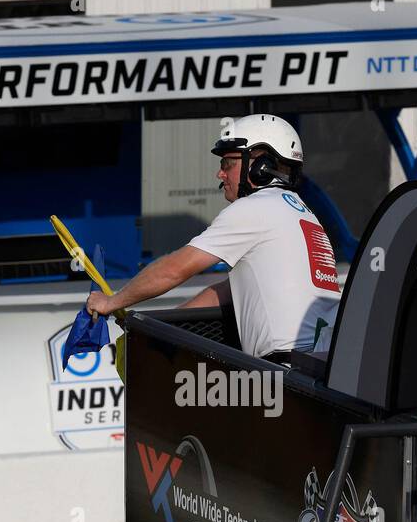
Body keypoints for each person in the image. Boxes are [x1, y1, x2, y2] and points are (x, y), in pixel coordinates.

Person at [87, 114, 341, 360]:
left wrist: (112, 301)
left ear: (262, 166)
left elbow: (174, 269)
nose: (220, 174)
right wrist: (155, 329)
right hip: (317, 365)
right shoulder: (299, 212)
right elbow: (231, 291)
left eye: (227, 163)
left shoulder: (254, 208)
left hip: (290, 368)